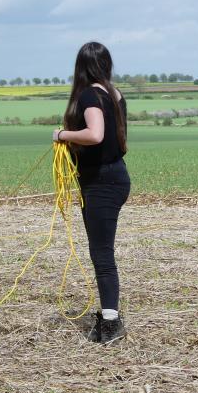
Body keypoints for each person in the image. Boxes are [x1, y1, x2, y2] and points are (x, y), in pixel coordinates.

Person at [54, 41, 130, 345]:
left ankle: (111, 323)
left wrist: (62, 135)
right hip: (114, 177)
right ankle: (108, 317)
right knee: (102, 251)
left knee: (101, 253)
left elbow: (95, 134)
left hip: (101, 183)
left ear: (80, 67)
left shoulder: (89, 95)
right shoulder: (115, 93)